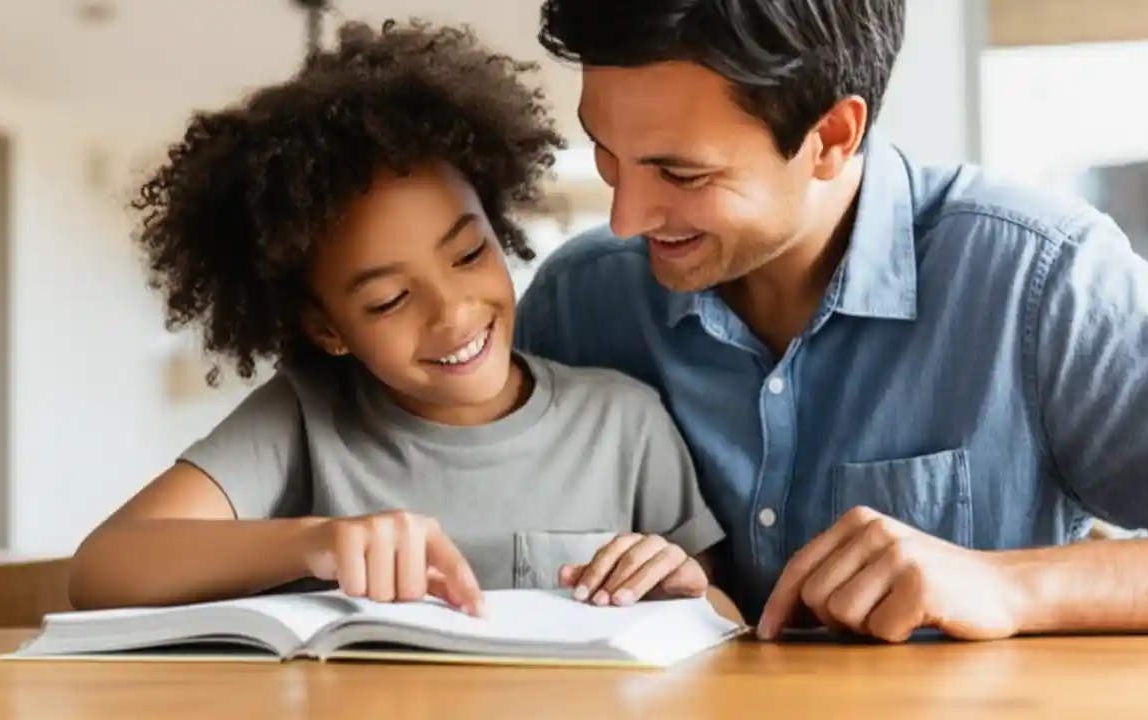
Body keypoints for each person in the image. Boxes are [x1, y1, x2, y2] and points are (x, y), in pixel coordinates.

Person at [516, 0, 1148, 642]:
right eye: (605, 152)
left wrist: (1008, 586)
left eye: (682, 173)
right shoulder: (576, 305)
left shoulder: (1041, 276)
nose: (626, 218)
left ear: (831, 137)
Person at [68, 20, 725, 615]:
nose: (453, 311)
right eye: (388, 301)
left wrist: (679, 585)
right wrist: (314, 542)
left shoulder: (625, 422)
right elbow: (105, 569)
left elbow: (718, 615)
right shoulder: (303, 418)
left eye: (469, 254)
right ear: (326, 327)